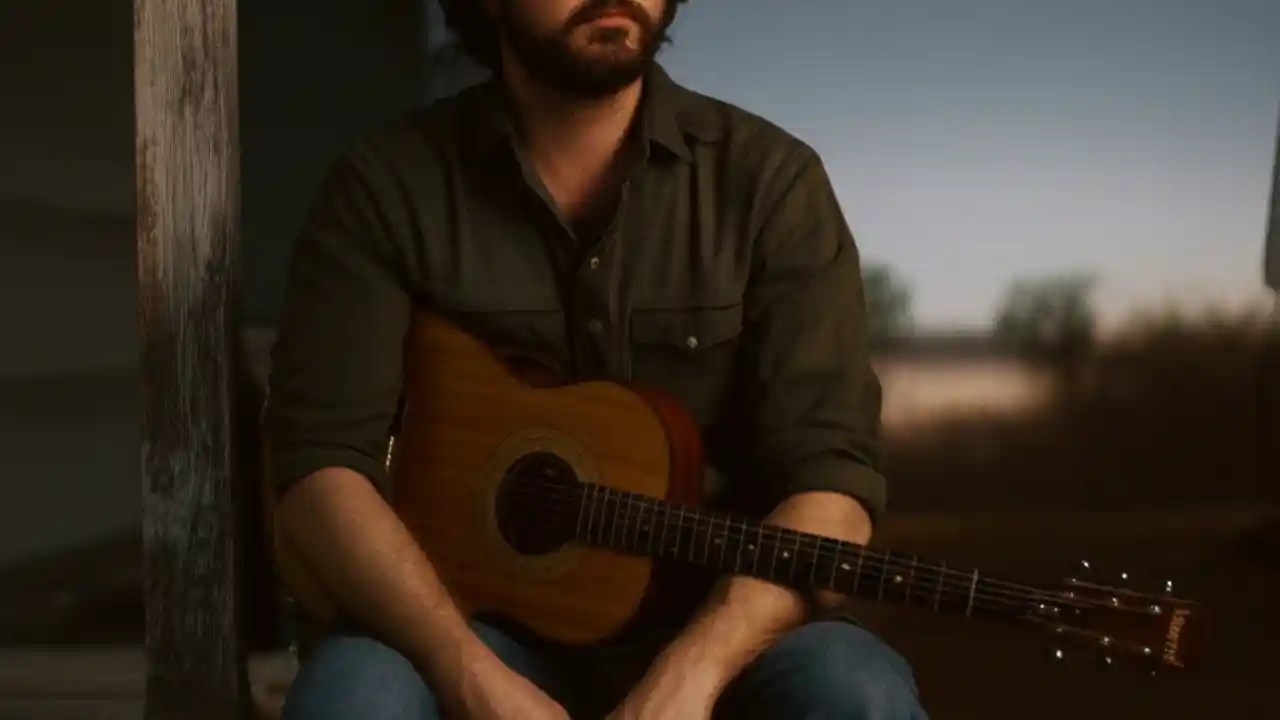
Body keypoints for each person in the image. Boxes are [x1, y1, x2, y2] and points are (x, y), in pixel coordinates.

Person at [264, 0, 929, 718]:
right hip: (467, 623)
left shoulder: (771, 182)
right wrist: (465, 671)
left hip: (723, 629)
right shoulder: (385, 186)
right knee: (354, 695)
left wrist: (694, 670)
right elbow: (321, 474)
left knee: (857, 692)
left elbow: (832, 490)